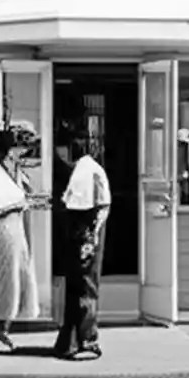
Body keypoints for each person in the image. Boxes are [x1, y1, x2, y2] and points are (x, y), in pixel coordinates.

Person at [0, 129, 40, 353]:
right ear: (8, 150)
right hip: (1, 232)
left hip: (16, 231)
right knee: (2, 281)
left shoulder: (16, 173)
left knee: (17, 280)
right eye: (18, 149)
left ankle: (4, 330)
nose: (22, 153)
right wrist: (19, 202)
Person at [55, 130, 111, 360]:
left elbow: (79, 206)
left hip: (83, 233)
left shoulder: (83, 172)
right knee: (84, 286)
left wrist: (89, 236)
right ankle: (82, 339)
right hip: (87, 233)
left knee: (81, 288)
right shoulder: (90, 169)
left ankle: (77, 340)